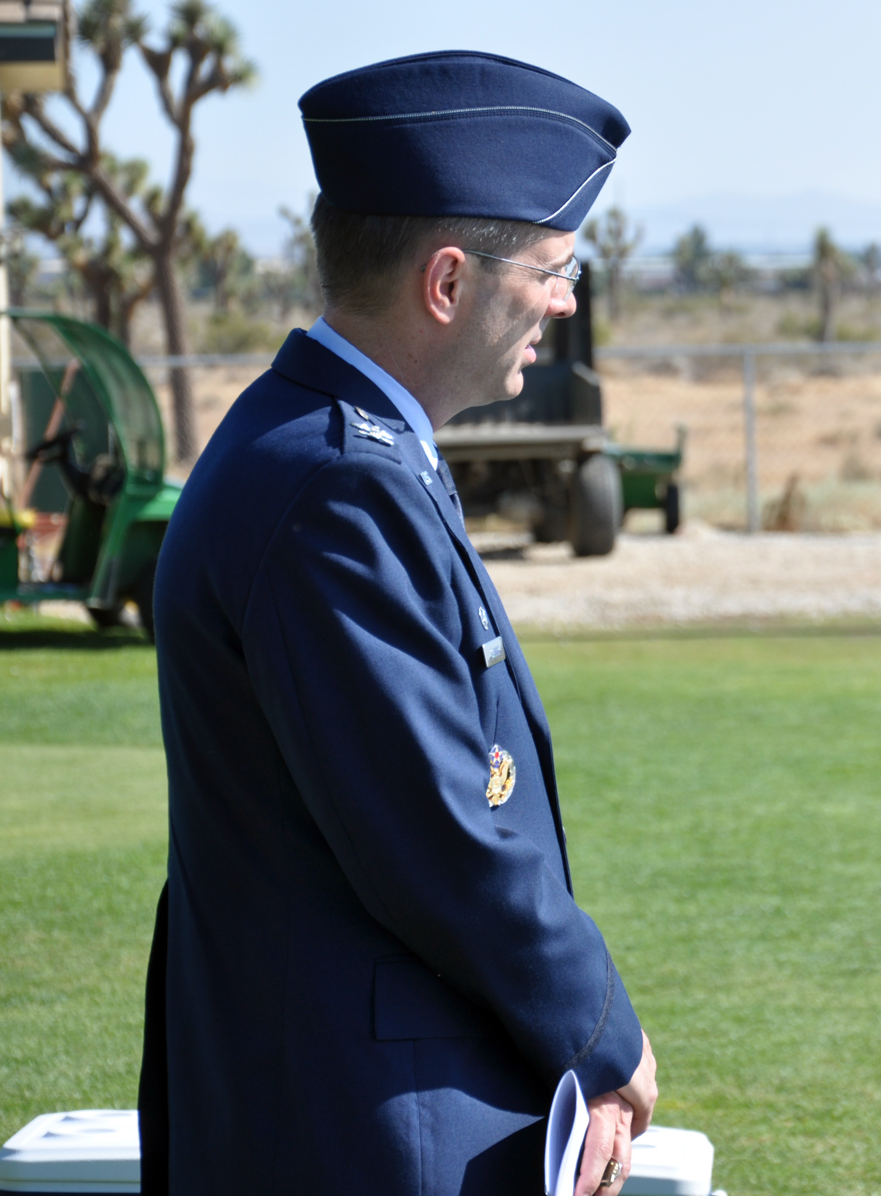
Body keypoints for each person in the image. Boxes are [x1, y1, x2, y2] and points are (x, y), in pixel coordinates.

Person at [149, 52, 655, 1196]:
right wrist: (603, 1035)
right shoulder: (340, 482)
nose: (565, 302)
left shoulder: (324, 444)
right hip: (359, 1126)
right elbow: (440, 832)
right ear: (445, 283)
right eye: (553, 270)